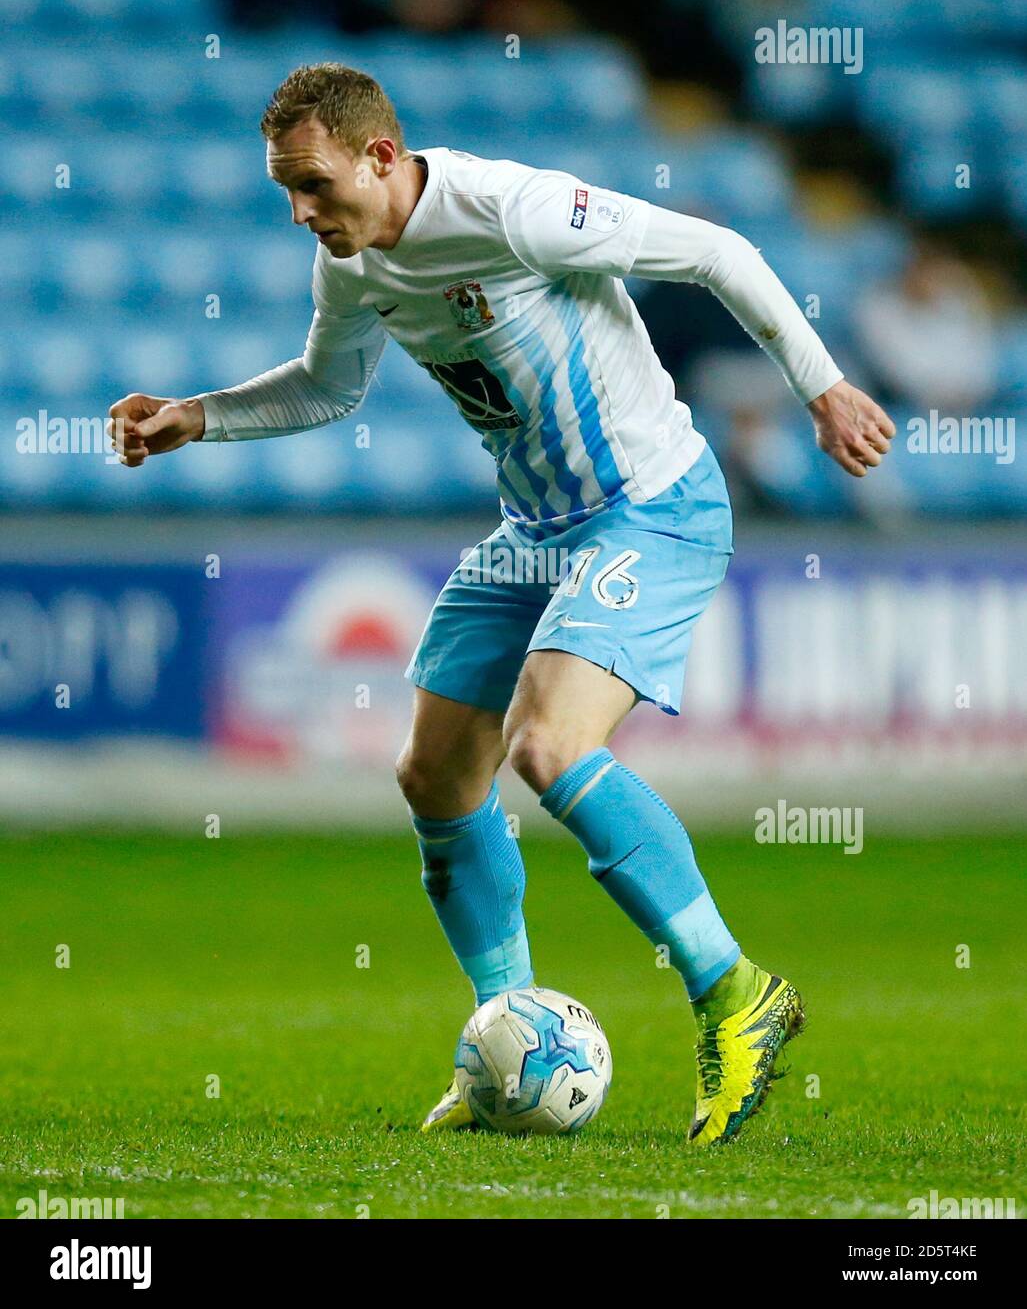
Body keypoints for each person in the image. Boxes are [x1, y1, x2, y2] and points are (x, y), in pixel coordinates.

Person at [108, 63, 895, 1147]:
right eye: (284, 191)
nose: (299, 211)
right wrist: (197, 416)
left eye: (313, 184)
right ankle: (507, 1030)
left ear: (381, 156)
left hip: (649, 506)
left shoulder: (512, 211)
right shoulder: (351, 265)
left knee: (548, 747)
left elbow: (717, 253)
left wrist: (823, 385)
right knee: (434, 772)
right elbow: (329, 386)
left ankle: (734, 992)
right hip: (533, 532)